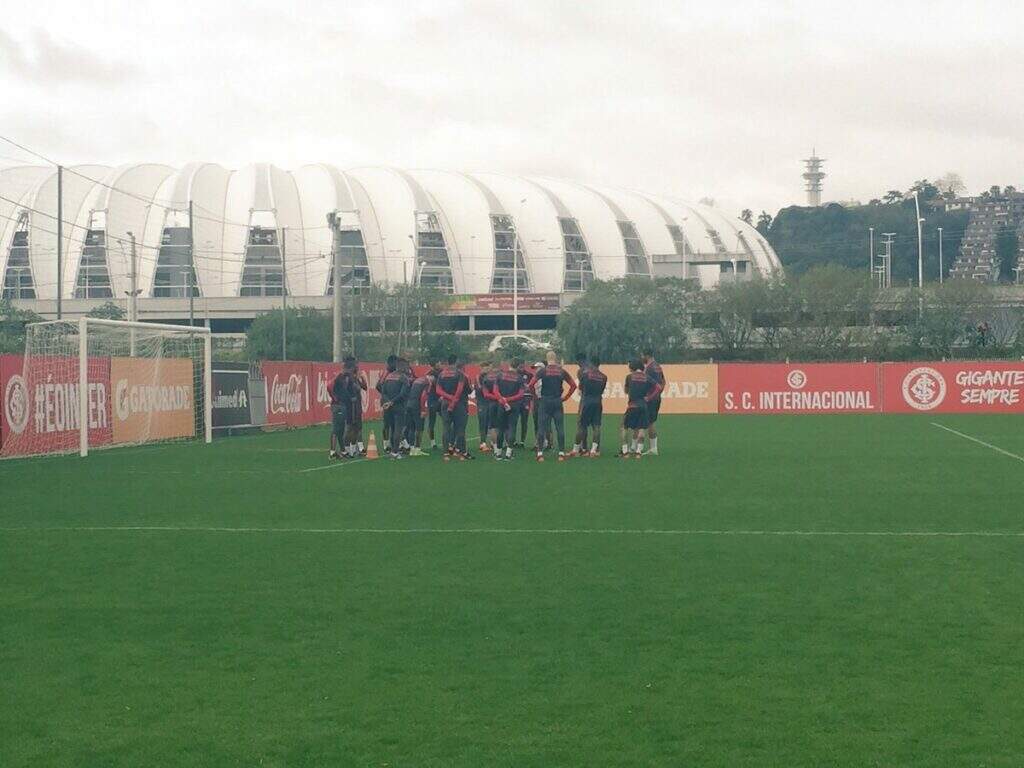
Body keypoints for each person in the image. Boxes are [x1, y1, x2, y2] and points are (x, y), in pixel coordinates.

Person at [533, 351, 577, 462]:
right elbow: (573, 385)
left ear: (547, 359)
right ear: (555, 358)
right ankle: (561, 453)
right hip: (557, 401)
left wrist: (536, 396)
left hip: (545, 400)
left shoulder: (543, 371)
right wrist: (565, 398)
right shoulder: (561, 371)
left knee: (541, 427)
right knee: (560, 427)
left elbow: (530, 384)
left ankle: (540, 454)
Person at [484, 359, 526, 460]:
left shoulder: (500, 376)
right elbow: (521, 394)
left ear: (509, 365)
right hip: (514, 405)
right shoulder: (519, 378)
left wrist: (502, 400)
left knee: (500, 428)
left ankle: (498, 453)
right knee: (512, 428)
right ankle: (508, 454)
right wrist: (509, 400)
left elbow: (495, 390)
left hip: (502, 405)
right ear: (518, 366)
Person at [621, 359, 662, 459]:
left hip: (632, 405)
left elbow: (626, 391)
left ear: (632, 367)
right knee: (642, 428)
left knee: (624, 427)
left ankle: (625, 451)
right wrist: (649, 397)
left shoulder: (629, 377)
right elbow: (658, 387)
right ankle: (638, 452)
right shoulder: (647, 377)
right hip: (643, 405)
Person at [435, 355, 473, 460]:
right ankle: (462, 454)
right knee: (460, 428)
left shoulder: (442, 374)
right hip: (459, 403)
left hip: (445, 403)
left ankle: (446, 454)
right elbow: (460, 389)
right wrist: (454, 399)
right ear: (456, 362)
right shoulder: (460, 374)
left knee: (446, 428)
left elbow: (438, 390)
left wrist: (448, 397)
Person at [572, 354, 608, 457]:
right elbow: (602, 390)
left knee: (582, 425)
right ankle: (594, 450)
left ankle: (576, 449)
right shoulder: (604, 377)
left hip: (587, 401)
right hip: (598, 401)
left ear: (591, 363)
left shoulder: (585, 375)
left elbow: (581, 389)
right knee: (596, 426)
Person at [378, 357, 410, 459]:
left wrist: (387, 402)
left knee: (392, 428)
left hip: (388, 407)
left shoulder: (389, 376)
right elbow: (403, 394)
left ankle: (392, 451)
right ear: (403, 366)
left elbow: (383, 392)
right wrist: (392, 402)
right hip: (399, 407)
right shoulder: (404, 378)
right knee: (398, 430)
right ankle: (396, 452)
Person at [403, 367, 434, 456]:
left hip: (409, 404)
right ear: (431, 377)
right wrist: (423, 410)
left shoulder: (418, 380)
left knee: (411, 428)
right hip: (417, 406)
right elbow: (424, 396)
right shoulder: (428, 382)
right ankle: (417, 449)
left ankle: (412, 449)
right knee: (419, 429)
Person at [641, 348, 666, 455]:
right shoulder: (658, 366)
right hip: (656, 398)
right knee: (650, 423)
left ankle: (650, 449)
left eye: (642, 356)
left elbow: (658, 385)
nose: (641, 358)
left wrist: (649, 397)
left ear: (647, 356)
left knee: (647, 423)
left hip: (651, 399)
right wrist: (659, 394)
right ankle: (652, 448)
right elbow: (663, 382)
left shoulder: (650, 368)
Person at [342, 356, 367, 457]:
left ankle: (355, 449)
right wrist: (349, 398)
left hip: (357, 406)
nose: (358, 366)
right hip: (350, 406)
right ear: (352, 365)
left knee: (357, 427)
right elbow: (343, 391)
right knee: (350, 428)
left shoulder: (355, 377)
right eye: (356, 364)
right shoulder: (346, 377)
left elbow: (364, 387)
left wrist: (361, 378)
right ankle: (346, 449)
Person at [328, 365, 350, 460]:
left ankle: (343, 451)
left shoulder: (345, 378)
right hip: (338, 406)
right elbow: (329, 386)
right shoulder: (339, 377)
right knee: (336, 429)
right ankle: (332, 453)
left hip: (342, 406)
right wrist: (335, 398)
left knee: (341, 429)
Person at [474, 362, 494, 452]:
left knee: (490, 423)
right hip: (482, 402)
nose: (490, 369)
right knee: (483, 423)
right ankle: (482, 443)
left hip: (489, 402)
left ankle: (492, 443)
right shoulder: (478, 377)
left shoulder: (489, 377)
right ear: (483, 368)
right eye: (488, 367)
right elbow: (479, 388)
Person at [425, 359, 443, 450]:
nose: (440, 364)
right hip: (432, 400)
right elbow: (432, 384)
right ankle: (433, 443)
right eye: (438, 362)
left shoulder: (442, 372)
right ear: (434, 364)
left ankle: (449, 441)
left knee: (447, 420)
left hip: (441, 399)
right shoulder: (430, 374)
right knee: (432, 422)